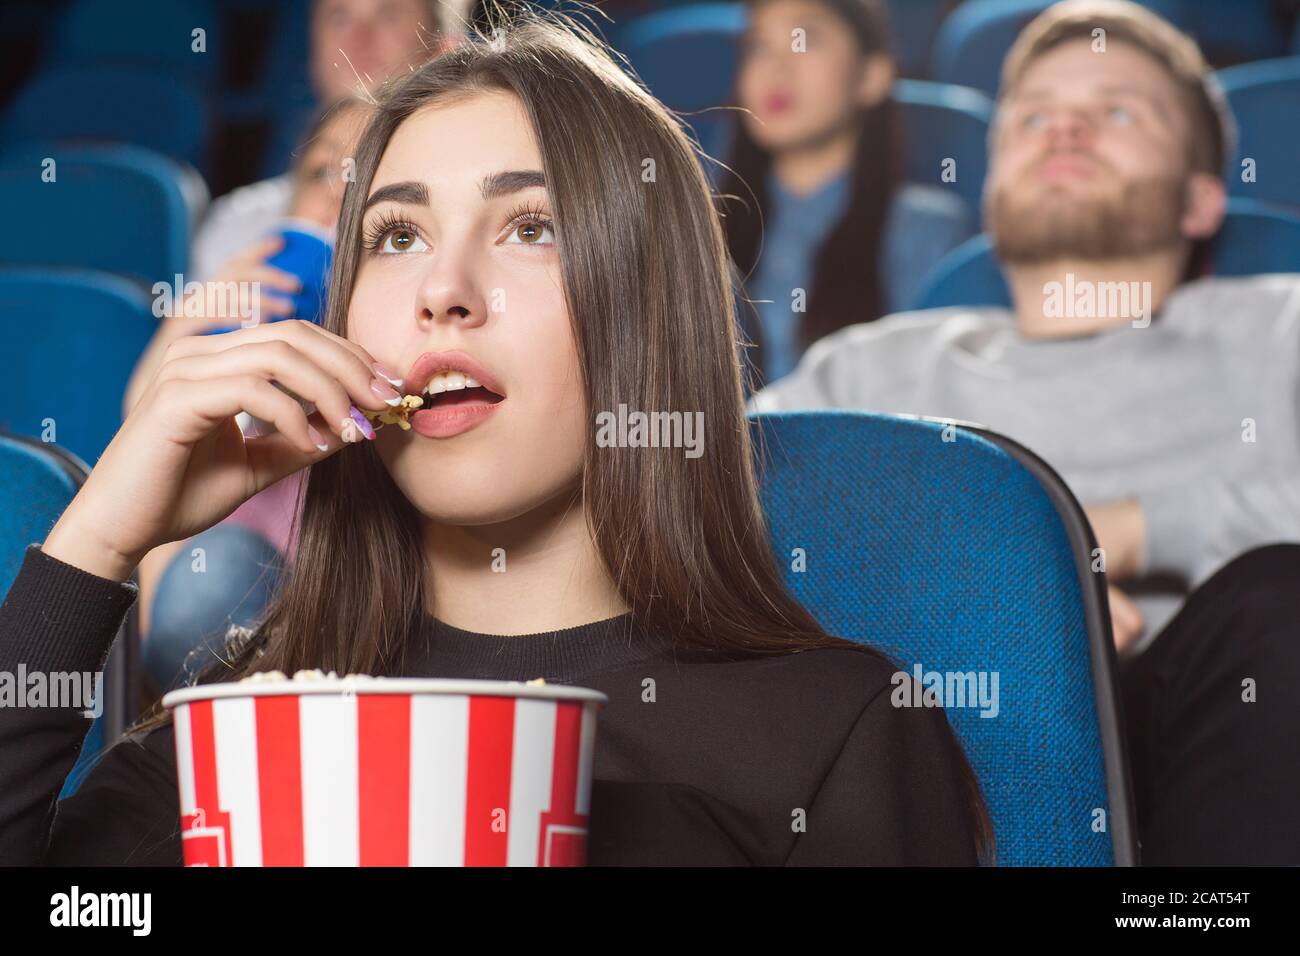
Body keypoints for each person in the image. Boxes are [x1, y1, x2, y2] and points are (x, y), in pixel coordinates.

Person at [0, 5, 990, 866]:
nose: (443, 292)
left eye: (532, 226)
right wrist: (94, 544)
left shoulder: (841, 728)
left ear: (647, 314)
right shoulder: (241, 726)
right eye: (396, 235)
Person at [750, 0, 1300, 865]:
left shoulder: (1281, 329)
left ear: (1202, 199)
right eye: (1033, 115)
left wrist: (1132, 528)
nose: (1065, 129)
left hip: (1190, 732)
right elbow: (697, 520)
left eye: (1117, 110)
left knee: (1278, 604)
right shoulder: (866, 369)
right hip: (920, 742)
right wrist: (1021, 588)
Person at [122, 97, 372, 693]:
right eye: (320, 174)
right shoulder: (218, 352)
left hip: (357, 642)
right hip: (219, 631)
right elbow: (163, 578)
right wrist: (178, 343)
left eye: (364, 178)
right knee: (219, 570)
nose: (337, 193)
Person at [719, 0, 976, 384]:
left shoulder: (928, 230)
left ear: (872, 76)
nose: (776, 70)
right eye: (759, 47)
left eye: (805, 41)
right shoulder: (696, 223)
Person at [191, 0, 469, 281]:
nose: (358, 39)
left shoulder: (472, 218)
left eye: (389, 16)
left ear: (445, 52)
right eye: (339, 18)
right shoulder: (241, 224)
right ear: (312, 51)